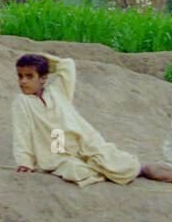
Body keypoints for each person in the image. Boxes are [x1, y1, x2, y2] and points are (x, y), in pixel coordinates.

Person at [11, 53, 140, 187]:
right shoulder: (22, 102)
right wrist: (25, 162)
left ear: (43, 78)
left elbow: (67, 65)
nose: (23, 81)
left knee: (126, 165)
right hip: (57, 149)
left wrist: (42, 62)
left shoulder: (57, 90)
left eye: (29, 76)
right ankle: (100, 171)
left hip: (82, 141)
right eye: (20, 76)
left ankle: (101, 168)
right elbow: (22, 133)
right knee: (75, 171)